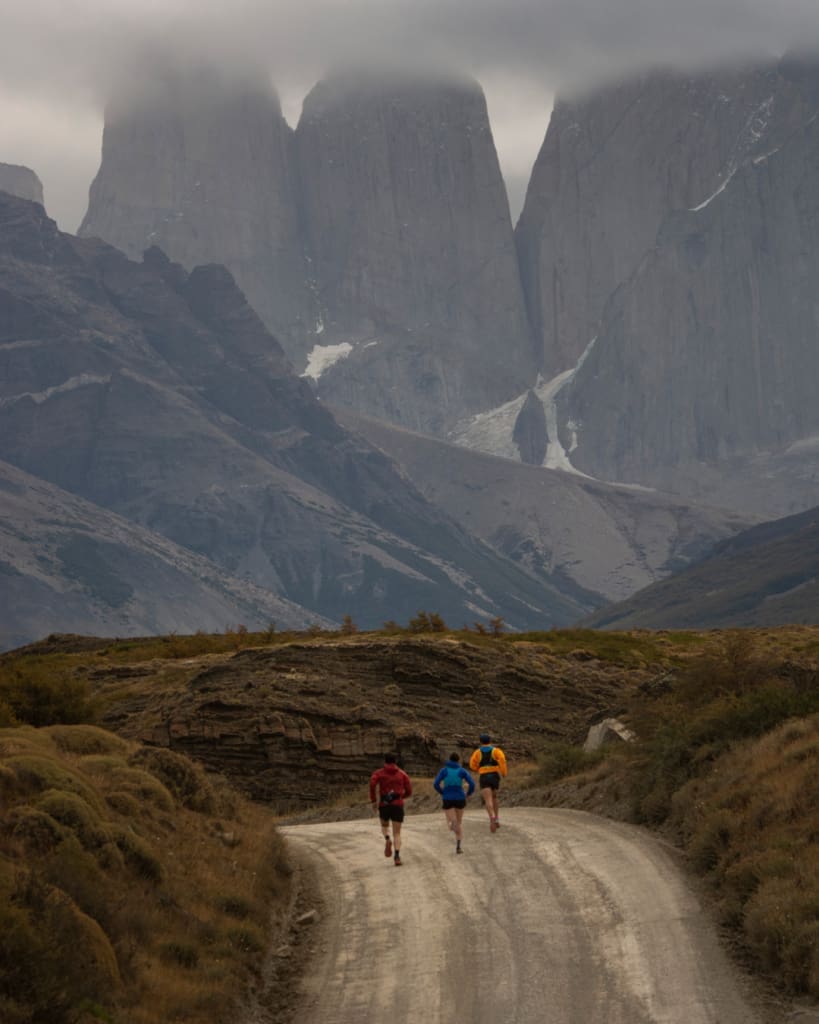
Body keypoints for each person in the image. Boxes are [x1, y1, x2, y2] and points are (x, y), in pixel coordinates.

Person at [369, 753, 412, 866]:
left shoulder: (379, 773)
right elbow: (409, 790)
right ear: (395, 762)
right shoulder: (402, 774)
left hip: (384, 804)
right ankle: (397, 856)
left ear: (385, 762)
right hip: (397, 805)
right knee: (397, 833)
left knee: (384, 826)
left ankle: (387, 839)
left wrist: (374, 800)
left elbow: (372, 784)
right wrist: (402, 797)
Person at [433, 752, 475, 854]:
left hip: (447, 798)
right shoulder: (462, 771)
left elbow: (435, 784)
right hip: (460, 797)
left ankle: (452, 824)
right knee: (459, 823)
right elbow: (472, 784)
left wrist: (442, 792)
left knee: (452, 821)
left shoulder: (444, 770)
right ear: (458, 760)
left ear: (449, 760)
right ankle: (458, 846)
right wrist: (468, 793)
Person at [469, 732, 507, 833]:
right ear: (490, 741)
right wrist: (503, 773)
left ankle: (492, 817)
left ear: (480, 742)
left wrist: (478, 768)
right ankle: (497, 818)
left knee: (488, 799)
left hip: (484, 776)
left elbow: (472, 765)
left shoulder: (477, 752)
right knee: (494, 797)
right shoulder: (496, 751)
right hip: (494, 776)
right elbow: (502, 760)